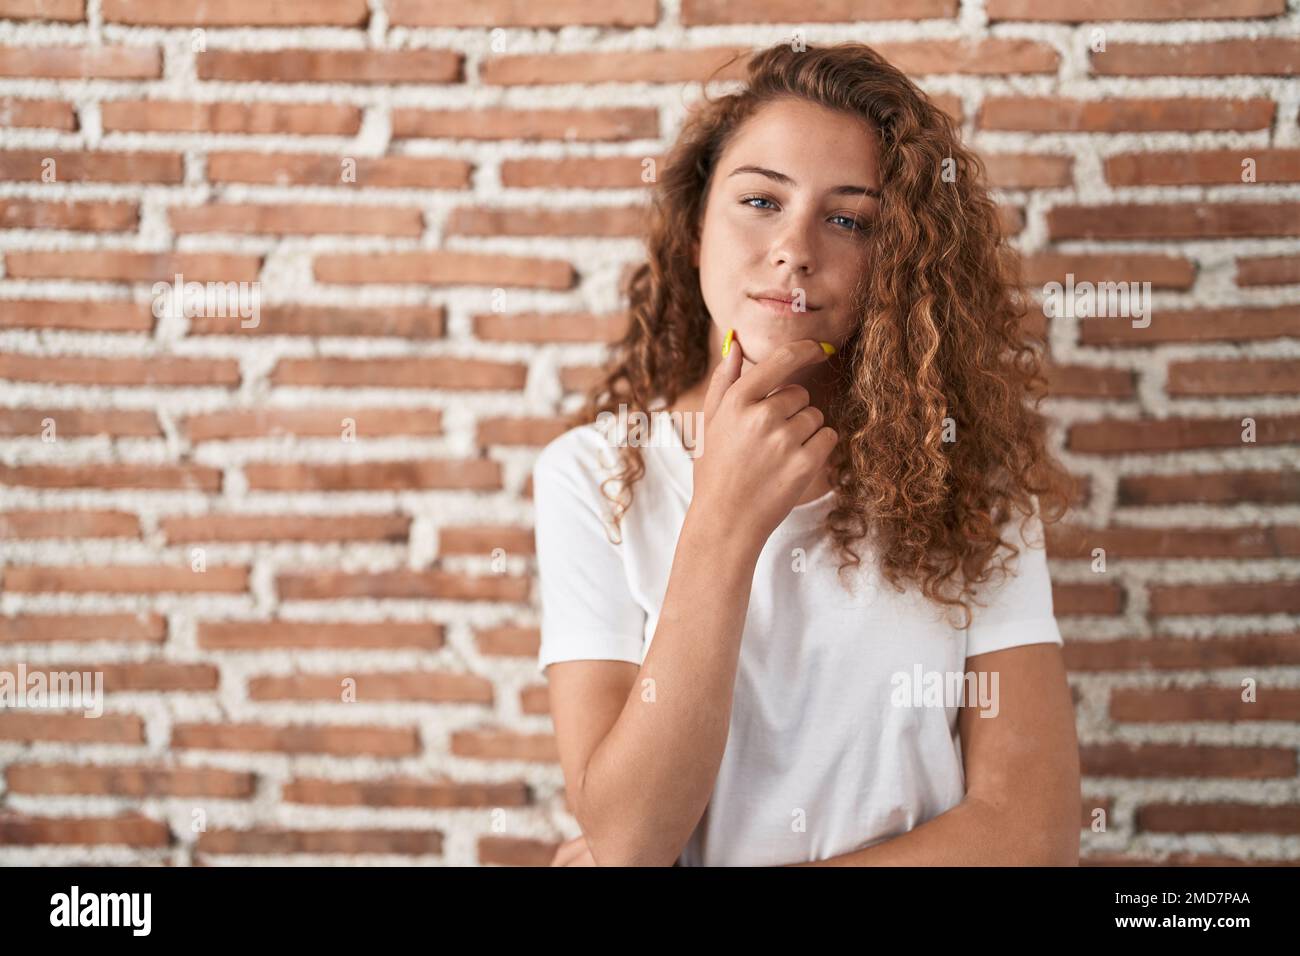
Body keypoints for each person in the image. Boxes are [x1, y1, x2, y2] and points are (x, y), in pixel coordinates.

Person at [532, 41, 1080, 867]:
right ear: (693, 232)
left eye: (848, 219)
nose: (794, 249)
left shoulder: (971, 477)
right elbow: (631, 836)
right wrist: (723, 516)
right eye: (760, 200)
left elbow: (1030, 833)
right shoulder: (591, 476)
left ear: (896, 267)